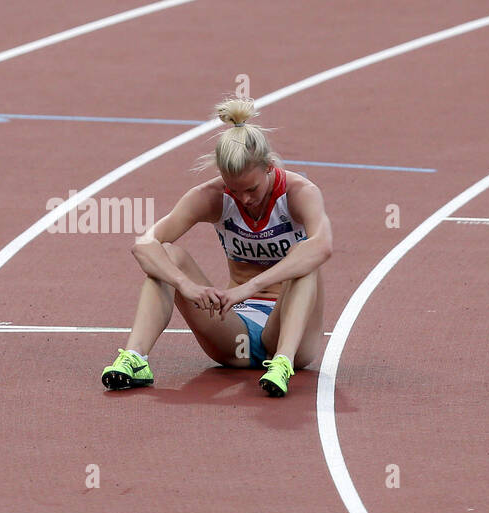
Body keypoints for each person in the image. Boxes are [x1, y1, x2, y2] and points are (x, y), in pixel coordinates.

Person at [100, 97, 332, 397]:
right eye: (234, 190)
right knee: (169, 255)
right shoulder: (210, 196)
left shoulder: (299, 193)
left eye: (252, 189)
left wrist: (249, 287)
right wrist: (185, 285)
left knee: (303, 257)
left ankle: (282, 363)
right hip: (234, 331)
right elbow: (144, 245)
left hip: (289, 329)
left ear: (270, 168)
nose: (245, 199)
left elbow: (323, 247)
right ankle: (135, 359)